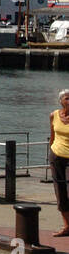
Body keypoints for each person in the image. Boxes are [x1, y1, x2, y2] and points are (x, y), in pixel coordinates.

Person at [49, 90, 69, 236]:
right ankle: (67, 226)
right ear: (61, 101)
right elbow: (53, 135)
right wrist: (51, 151)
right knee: (60, 191)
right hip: (57, 156)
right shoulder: (54, 115)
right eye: (67, 99)